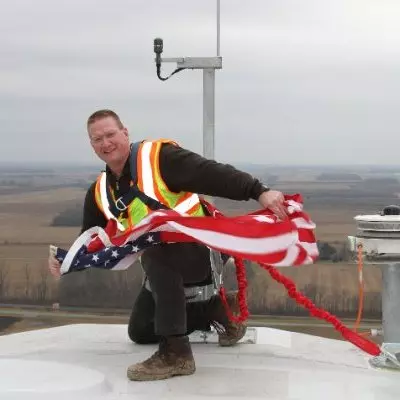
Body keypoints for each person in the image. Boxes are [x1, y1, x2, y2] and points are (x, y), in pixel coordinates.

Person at [48, 109, 288, 382]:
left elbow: (211, 173)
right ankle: (215, 311)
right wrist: (67, 262)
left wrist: (259, 191)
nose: (105, 143)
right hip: (162, 264)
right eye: (97, 139)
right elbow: (93, 241)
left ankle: (176, 354)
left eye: (110, 134)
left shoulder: (159, 159)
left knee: (155, 253)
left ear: (125, 133)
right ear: (91, 145)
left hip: (203, 251)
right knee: (141, 331)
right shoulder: (100, 191)